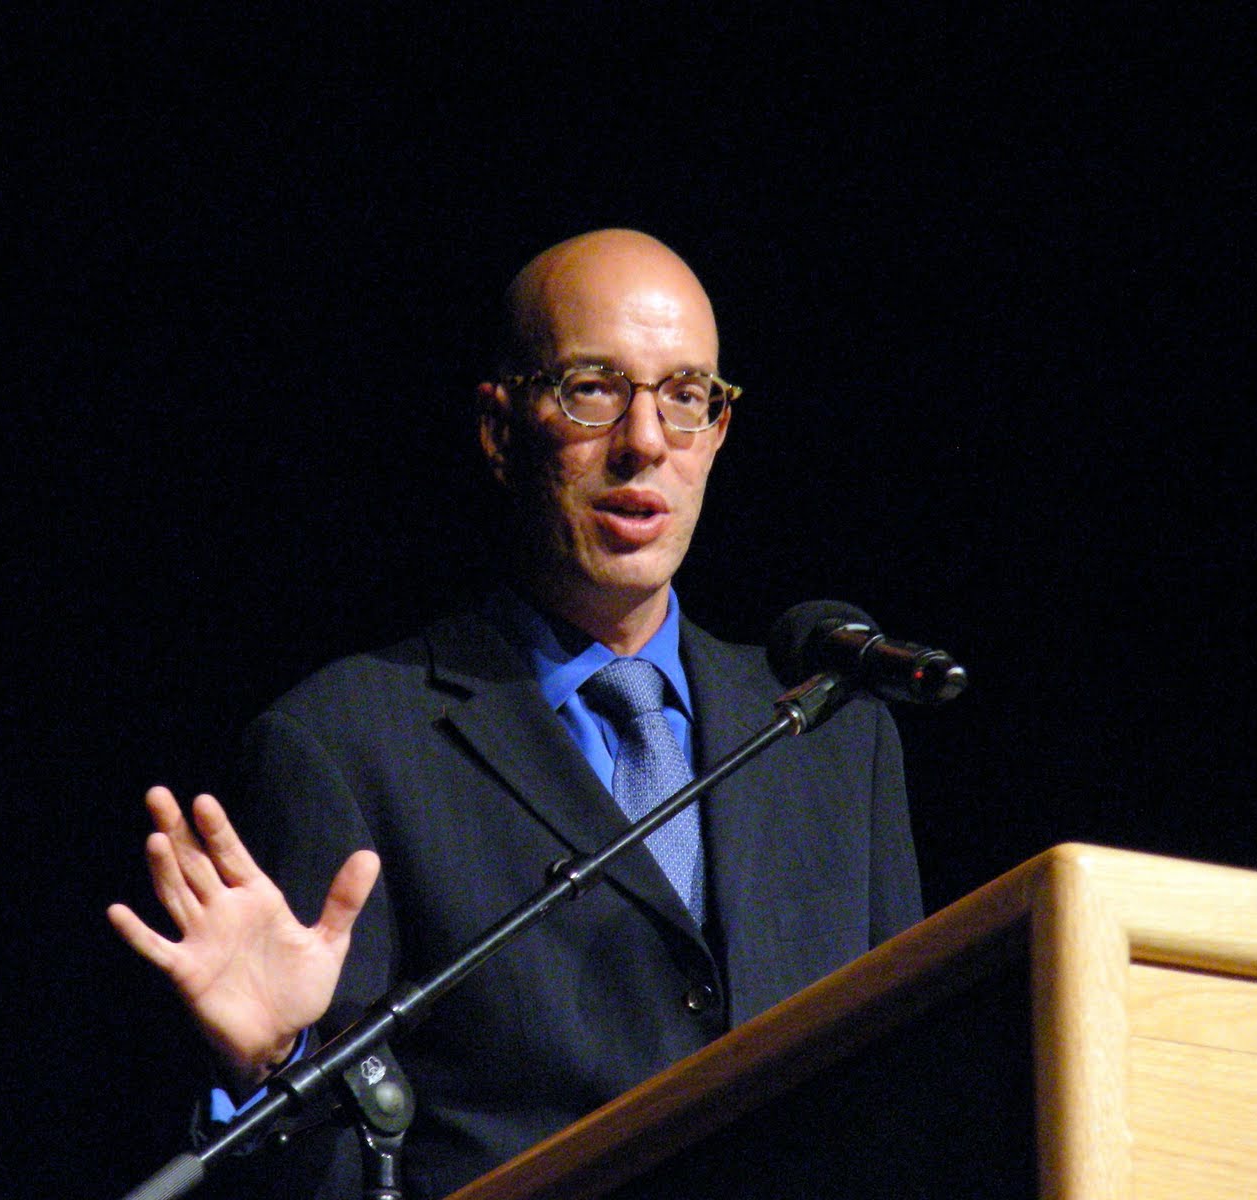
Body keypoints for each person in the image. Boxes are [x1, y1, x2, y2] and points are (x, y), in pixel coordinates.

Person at [108, 229, 924, 1198]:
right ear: (501, 429)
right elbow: (321, 1178)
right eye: (593, 388)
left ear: (717, 431)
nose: (645, 441)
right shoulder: (347, 743)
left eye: (684, 396)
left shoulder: (832, 739)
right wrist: (266, 1067)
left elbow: (906, 1093)